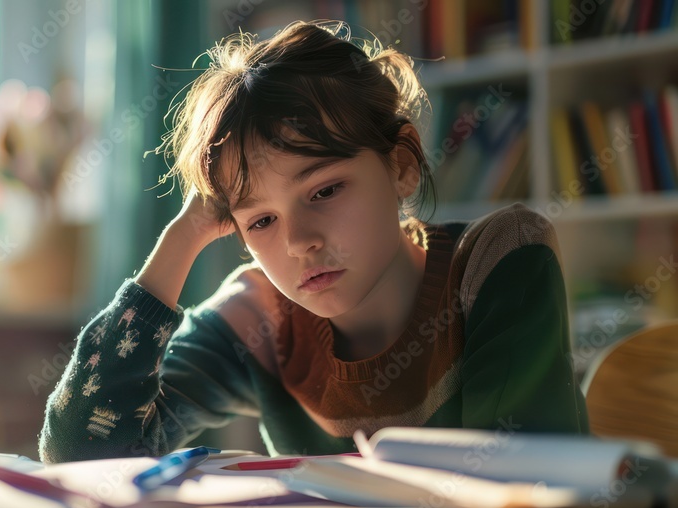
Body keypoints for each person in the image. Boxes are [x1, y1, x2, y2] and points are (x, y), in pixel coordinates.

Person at [39, 20, 589, 463]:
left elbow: (520, 487)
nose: (299, 241)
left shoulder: (497, 265)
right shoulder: (256, 318)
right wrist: (184, 235)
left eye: (324, 190)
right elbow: (82, 456)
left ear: (400, 165)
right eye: (260, 222)